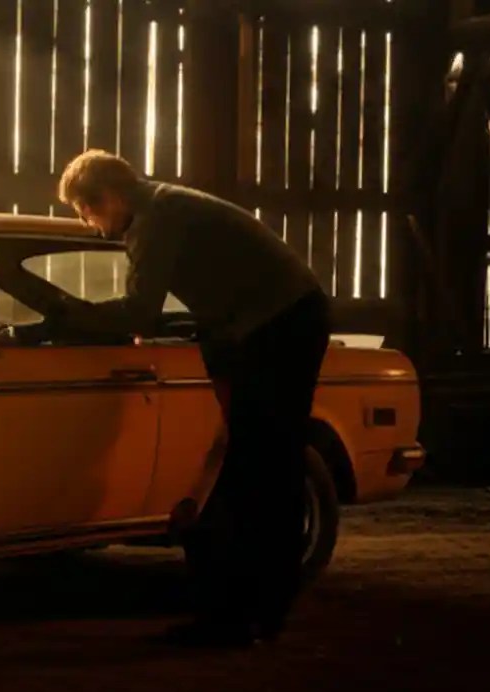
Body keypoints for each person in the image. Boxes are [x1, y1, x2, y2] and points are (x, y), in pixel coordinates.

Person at [48, 149, 332, 647]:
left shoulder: (156, 219)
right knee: (265, 467)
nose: (89, 225)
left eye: (85, 211)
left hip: (280, 323)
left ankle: (242, 616)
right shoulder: (165, 204)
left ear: (109, 197)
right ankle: (262, 611)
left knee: (258, 468)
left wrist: (67, 313)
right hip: (282, 318)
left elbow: (140, 312)